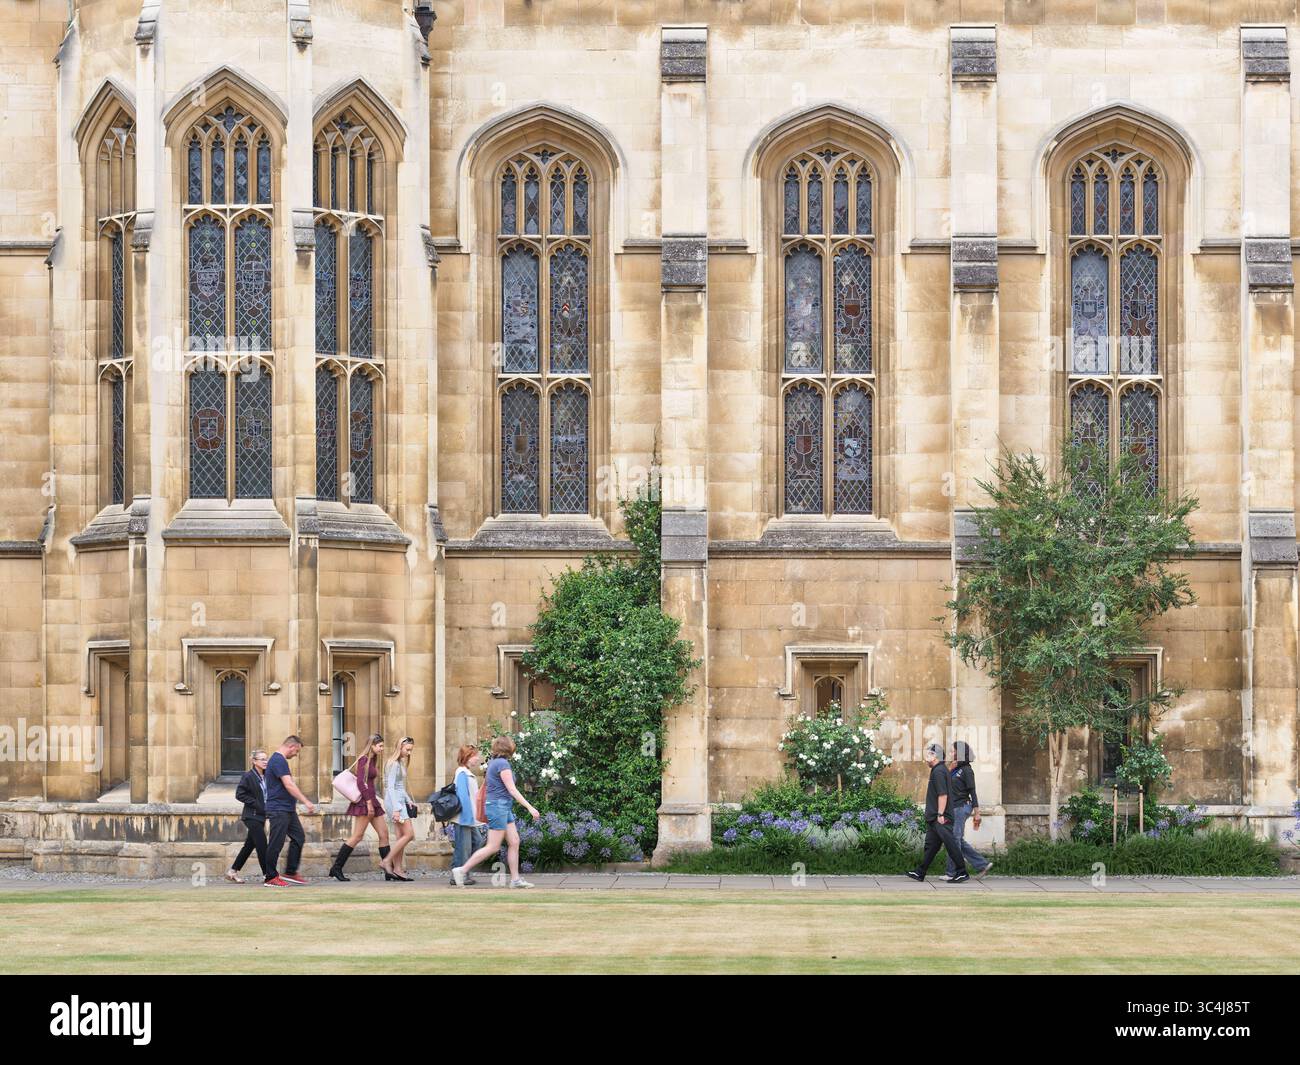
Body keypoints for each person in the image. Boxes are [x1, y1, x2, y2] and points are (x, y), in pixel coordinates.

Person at [451, 735, 539, 889]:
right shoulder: (502, 764)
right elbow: (511, 789)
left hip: (502, 806)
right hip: (498, 807)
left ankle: (515, 880)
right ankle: (461, 870)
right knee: (493, 846)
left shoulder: (494, 763)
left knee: (514, 841)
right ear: (508, 747)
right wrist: (529, 807)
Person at [328, 733, 393, 883]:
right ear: (372, 746)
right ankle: (336, 868)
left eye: (382, 746)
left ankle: (388, 870)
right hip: (365, 802)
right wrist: (369, 802)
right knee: (357, 836)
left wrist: (372, 801)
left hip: (372, 801)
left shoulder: (373, 760)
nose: (382, 749)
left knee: (384, 835)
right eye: (380, 746)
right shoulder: (364, 760)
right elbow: (360, 783)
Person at [906, 742, 969, 883]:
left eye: (929, 754)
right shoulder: (938, 770)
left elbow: (943, 795)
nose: (926, 757)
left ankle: (962, 872)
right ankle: (920, 872)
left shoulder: (939, 771)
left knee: (951, 844)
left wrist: (940, 814)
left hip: (941, 817)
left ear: (935, 756)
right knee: (931, 846)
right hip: (934, 818)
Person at [263, 735, 317, 887]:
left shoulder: (280, 761)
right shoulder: (278, 760)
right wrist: (306, 801)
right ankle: (270, 877)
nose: (296, 754)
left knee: (298, 837)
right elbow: (289, 784)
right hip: (278, 808)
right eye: (297, 751)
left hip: (287, 809)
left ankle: (290, 872)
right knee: (276, 843)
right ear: (292, 747)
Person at [944, 740, 992, 881]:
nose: (950, 753)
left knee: (954, 839)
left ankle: (952, 872)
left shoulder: (967, 770)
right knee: (957, 839)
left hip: (962, 807)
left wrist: (977, 813)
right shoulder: (955, 768)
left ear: (960, 753)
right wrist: (950, 769)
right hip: (953, 808)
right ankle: (982, 864)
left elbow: (973, 792)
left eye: (953, 751)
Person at [226, 749, 269, 883]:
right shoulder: (248, 776)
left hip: (262, 816)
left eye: (266, 759)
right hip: (252, 816)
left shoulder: (267, 776)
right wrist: (256, 804)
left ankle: (232, 871)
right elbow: (239, 794)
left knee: (249, 845)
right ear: (254, 761)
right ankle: (268, 875)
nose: (265, 761)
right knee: (262, 844)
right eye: (262, 759)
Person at [450, 745, 487, 886]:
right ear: (467, 757)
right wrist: (468, 817)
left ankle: (460, 871)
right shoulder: (462, 773)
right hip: (464, 818)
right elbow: (463, 796)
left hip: (470, 817)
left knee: (477, 841)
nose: (477, 758)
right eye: (474, 755)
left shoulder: (467, 773)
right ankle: (459, 876)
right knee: (463, 847)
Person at [383, 737, 417, 882]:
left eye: (411, 750)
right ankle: (386, 861)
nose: (409, 753)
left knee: (400, 837)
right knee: (409, 834)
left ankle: (397, 868)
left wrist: (409, 800)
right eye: (407, 749)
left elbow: (399, 786)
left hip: (399, 801)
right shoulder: (394, 764)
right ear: (400, 747)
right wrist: (397, 808)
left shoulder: (400, 763)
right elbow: (390, 787)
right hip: (395, 802)